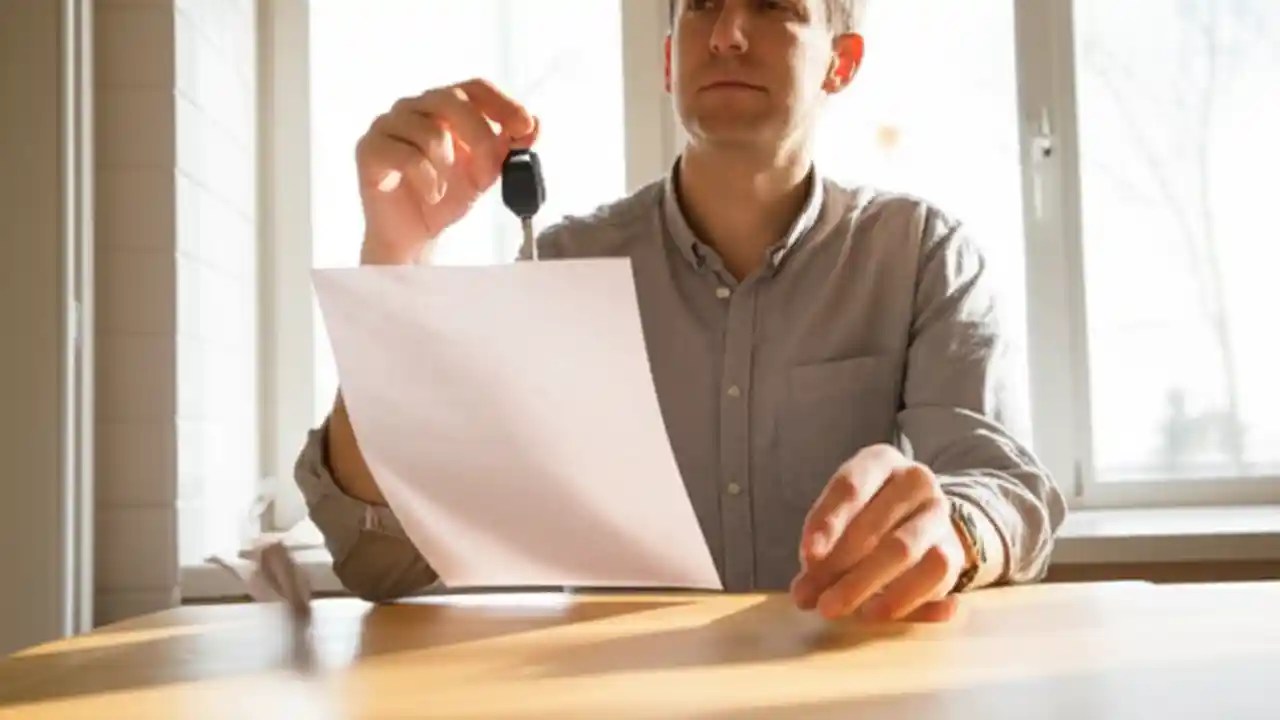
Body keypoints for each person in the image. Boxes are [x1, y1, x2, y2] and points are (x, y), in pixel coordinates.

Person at [295, 0, 1067, 623]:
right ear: (668, 60)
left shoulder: (922, 255)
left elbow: (1003, 487)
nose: (728, 33)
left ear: (842, 61)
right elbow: (382, 559)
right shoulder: (561, 268)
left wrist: (953, 533)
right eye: (699, 7)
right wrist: (394, 265)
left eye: (771, 6)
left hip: (842, 694)